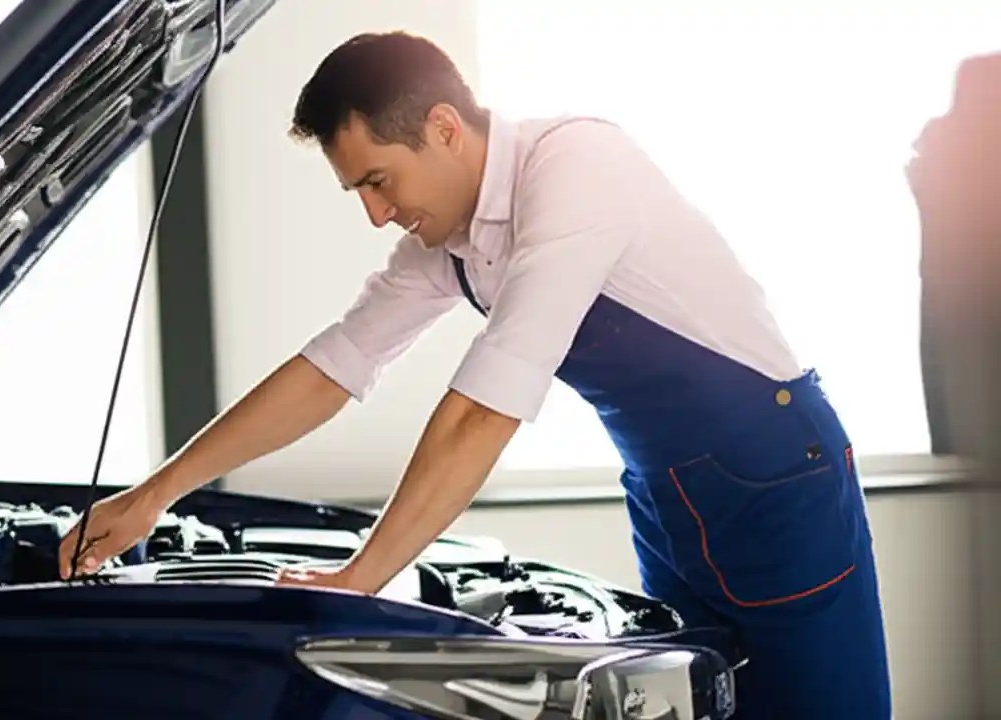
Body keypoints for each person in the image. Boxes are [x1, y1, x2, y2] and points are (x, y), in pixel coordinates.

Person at [59, 31, 890, 718]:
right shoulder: (449, 243)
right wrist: (154, 495)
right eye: (358, 192)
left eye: (378, 181)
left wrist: (363, 578)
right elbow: (330, 368)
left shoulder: (577, 168)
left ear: (447, 129)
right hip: (667, 499)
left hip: (777, 482)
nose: (376, 213)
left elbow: (482, 413)